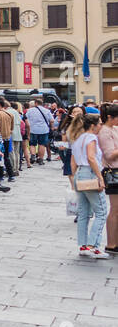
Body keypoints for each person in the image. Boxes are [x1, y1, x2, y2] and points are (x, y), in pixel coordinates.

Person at [73, 113, 111, 258]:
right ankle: (93, 246)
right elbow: (91, 157)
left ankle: (83, 245)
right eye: (100, 123)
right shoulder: (91, 138)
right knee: (101, 211)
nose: (101, 125)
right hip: (89, 173)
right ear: (93, 125)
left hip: (79, 173)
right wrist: (100, 177)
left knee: (84, 212)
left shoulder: (78, 138)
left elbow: (73, 161)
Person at [98, 104, 118, 253]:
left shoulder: (114, 129)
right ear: (110, 117)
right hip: (113, 172)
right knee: (115, 209)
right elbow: (110, 155)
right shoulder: (105, 132)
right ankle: (111, 243)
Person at [27, 99, 53, 165]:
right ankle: (40, 159)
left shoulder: (30, 110)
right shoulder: (47, 111)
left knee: (32, 144)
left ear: (35, 103)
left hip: (33, 129)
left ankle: (33, 156)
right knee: (42, 145)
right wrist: (50, 126)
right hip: (44, 130)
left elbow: (25, 118)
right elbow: (52, 120)